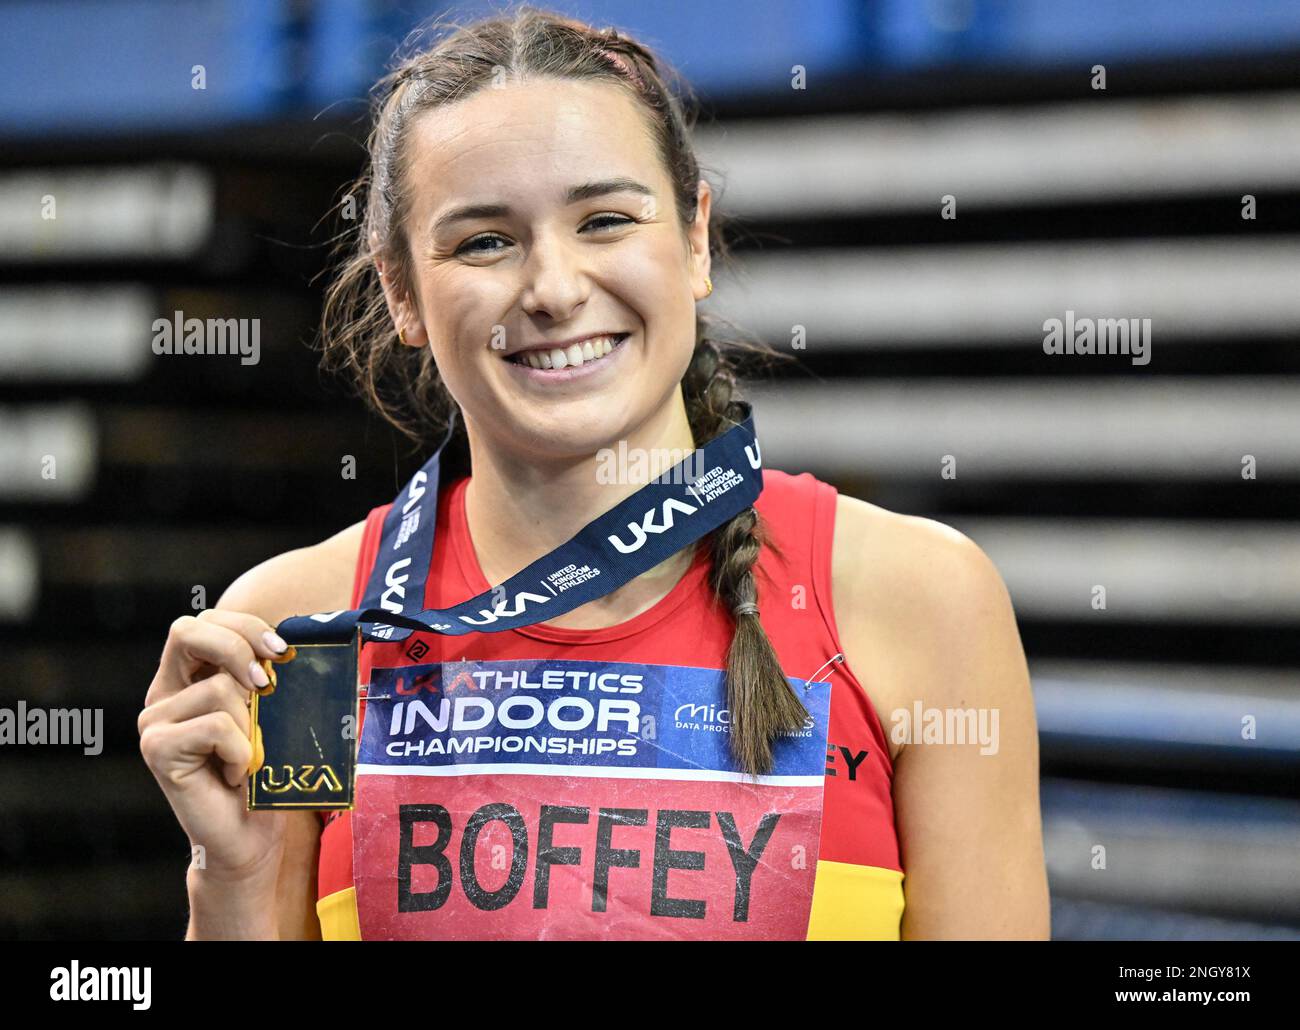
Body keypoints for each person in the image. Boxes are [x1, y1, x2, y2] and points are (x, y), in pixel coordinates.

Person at [137, 5, 1049, 941]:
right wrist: (236, 874)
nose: (556, 289)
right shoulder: (308, 629)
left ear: (694, 239)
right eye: (485, 240)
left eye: (606, 220)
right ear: (402, 291)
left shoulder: (917, 599)